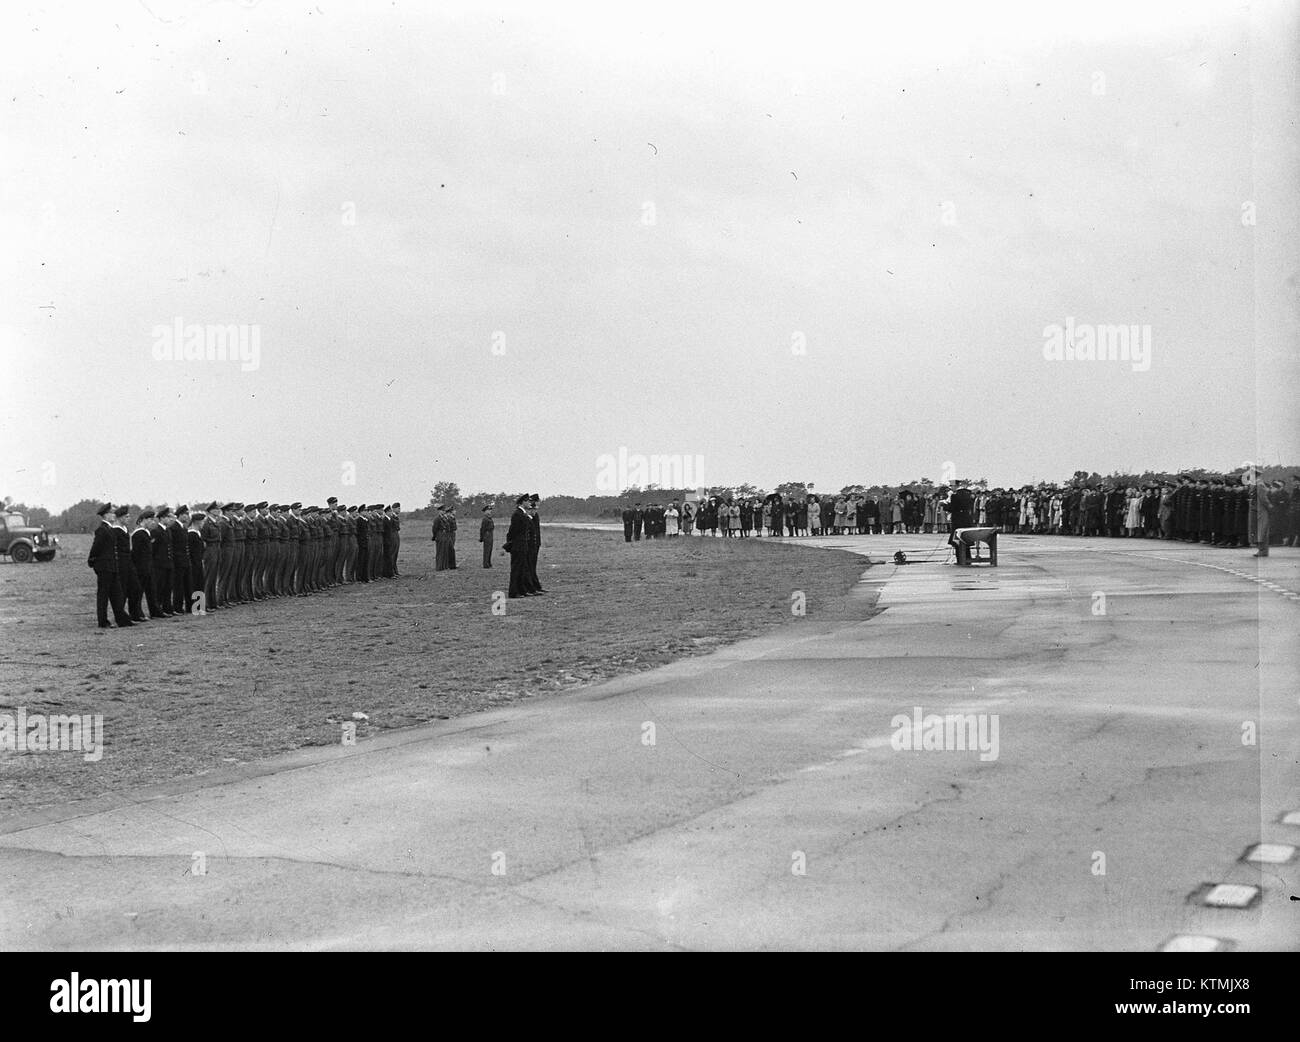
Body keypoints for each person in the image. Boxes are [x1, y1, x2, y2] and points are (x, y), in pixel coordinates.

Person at [88, 502, 133, 629]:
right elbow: (96, 548)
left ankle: (122, 620)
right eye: (112, 513)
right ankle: (103, 621)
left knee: (117, 594)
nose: (114, 515)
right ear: (106, 515)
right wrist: (92, 561)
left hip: (112, 566)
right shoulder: (102, 530)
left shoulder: (110, 529)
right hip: (104, 566)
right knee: (103, 595)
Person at [504, 494, 533, 598]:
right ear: (522, 502)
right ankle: (513, 592)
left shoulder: (522, 514)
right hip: (518, 546)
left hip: (522, 545)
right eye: (527, 501)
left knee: (522, 569)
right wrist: (511, 543)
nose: (529, 503)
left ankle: (521, 590)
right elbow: (512, 531)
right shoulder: (517, 514)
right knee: (516, 569)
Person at [527, 494, 543, 592]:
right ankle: (533, 586)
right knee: (531, 566)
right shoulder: (531, 514)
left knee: (533, 566)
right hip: (532, 544)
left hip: (536, 543)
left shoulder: (534, 514)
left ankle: (536, 586)